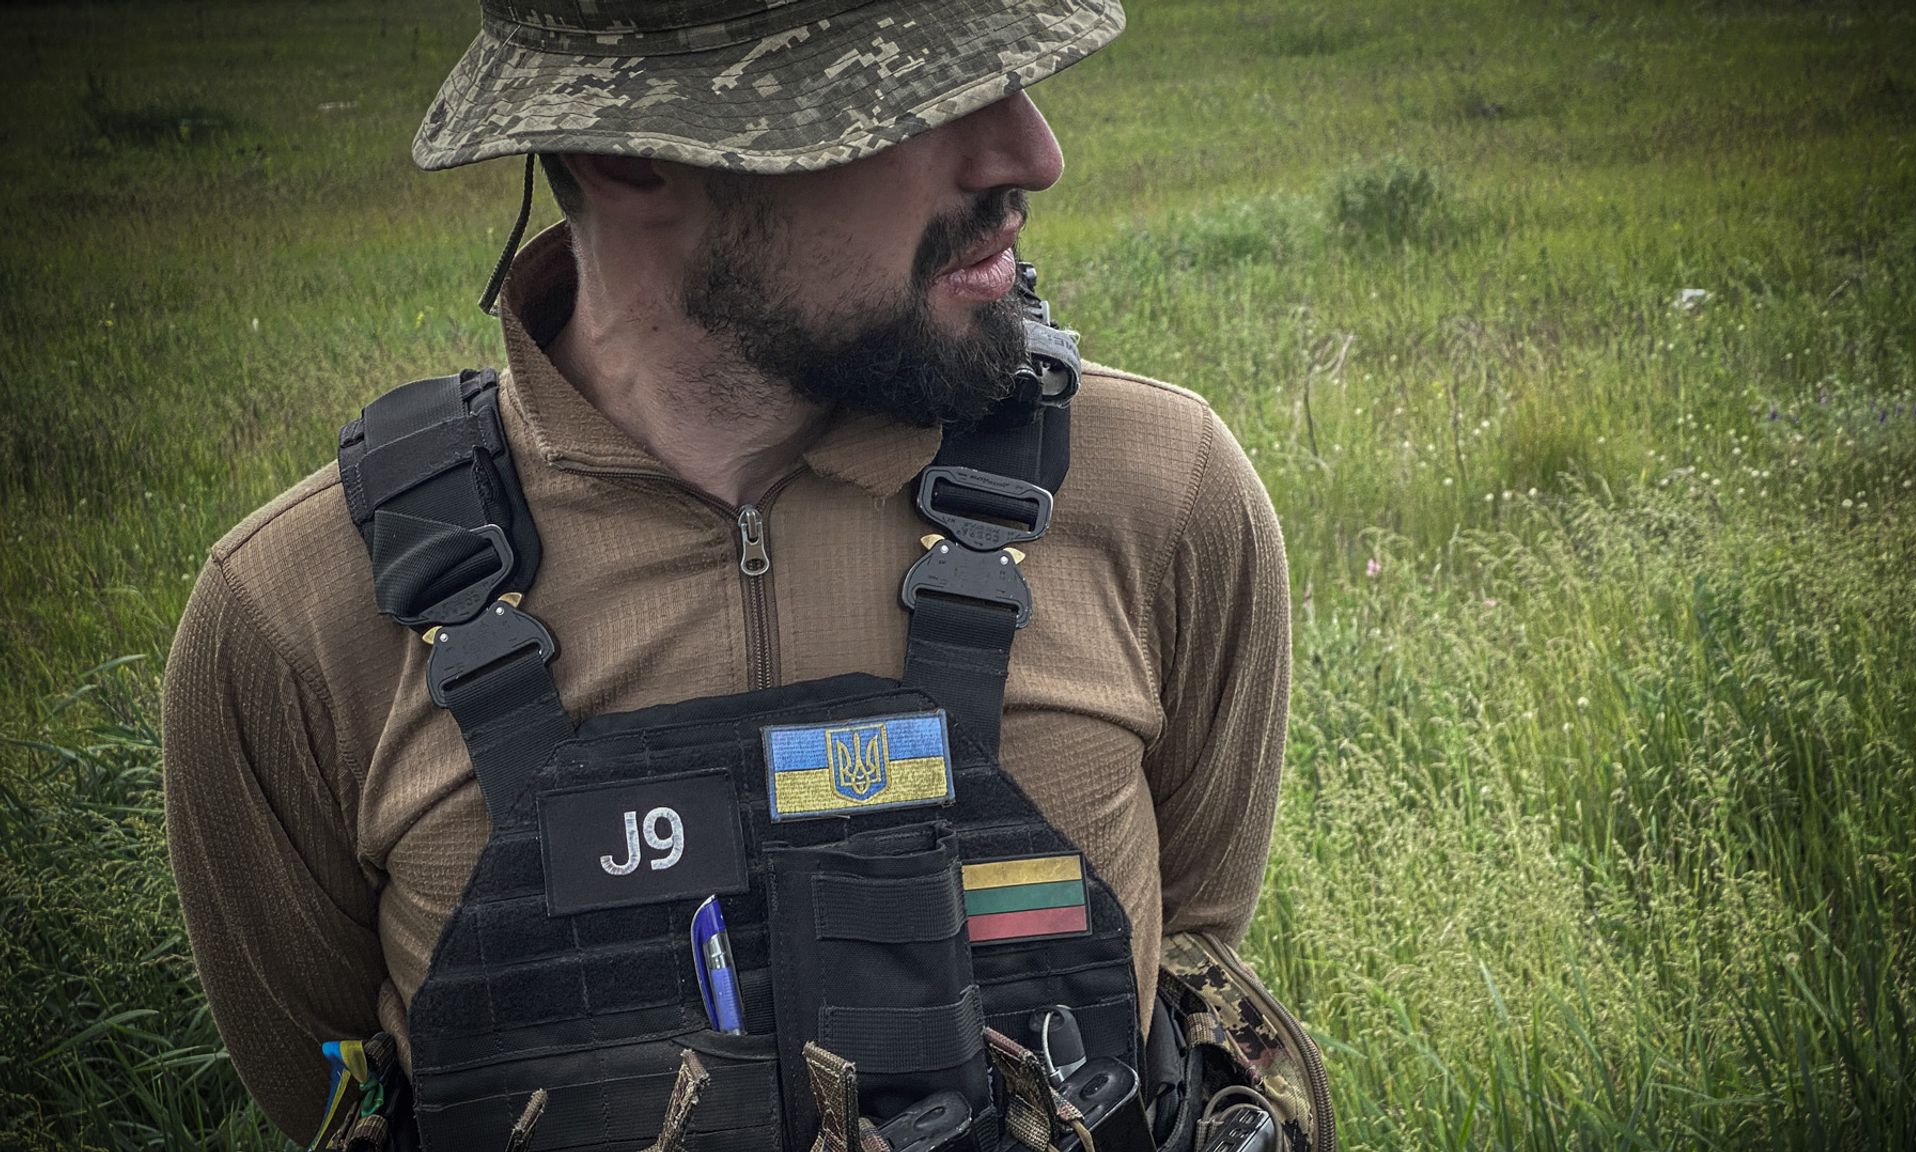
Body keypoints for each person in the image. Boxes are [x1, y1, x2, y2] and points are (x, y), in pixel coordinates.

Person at [162, 1, 1300, 1147]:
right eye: (919, 97)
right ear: (629, 156)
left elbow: (1183, 955)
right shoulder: (294, 618)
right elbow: (327, 1086)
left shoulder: (1156, 490)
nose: (1031, 156)